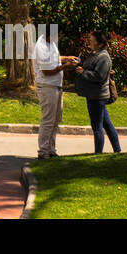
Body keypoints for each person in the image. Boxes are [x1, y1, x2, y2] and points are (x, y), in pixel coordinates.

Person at [75, 30, 121, 154]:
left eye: (92, 41)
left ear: (100, 44)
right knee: (106, 124)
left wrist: (83, 72)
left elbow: (99, 76)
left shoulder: (104, 57)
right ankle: (118, 151)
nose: (89, 42)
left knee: (97, 127)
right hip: (93, 95)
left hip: (98, 96)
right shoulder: (95, 54)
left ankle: (98, 153)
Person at [33, 27, 76, 159]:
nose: (60, 37)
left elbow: (55, 59)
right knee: (48, 120)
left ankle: (51, 150)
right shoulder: (41, 47)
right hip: (47, 86)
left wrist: (66, 58)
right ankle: (43, 151)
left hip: (56, 86)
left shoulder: (50, 43)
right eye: (59, 34)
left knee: (56, 119)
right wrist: (65, 66)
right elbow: (46, 71)